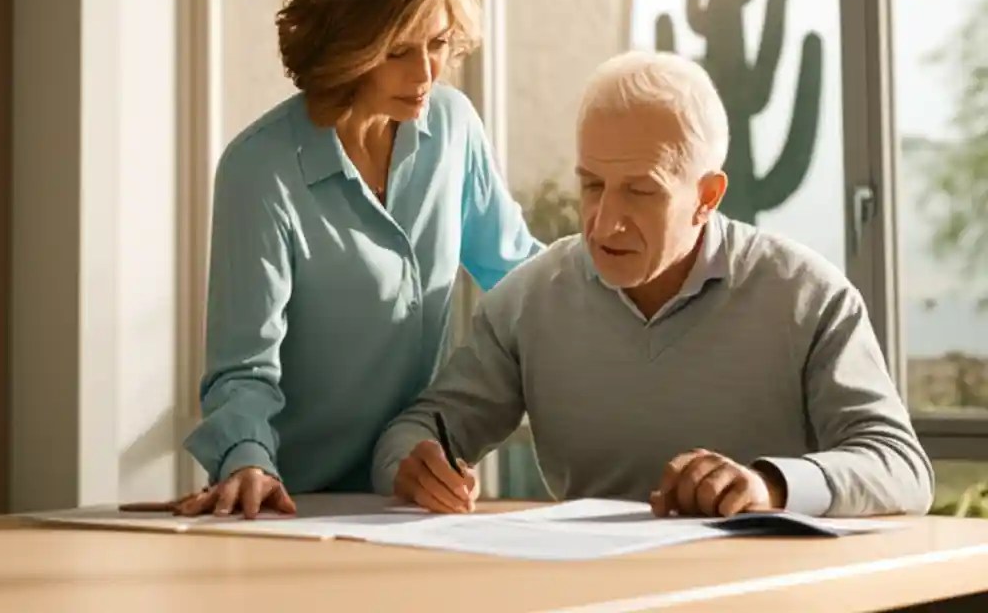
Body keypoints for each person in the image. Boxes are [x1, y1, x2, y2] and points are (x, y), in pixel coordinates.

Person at [374, 50, 933, 518]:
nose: (605, 223)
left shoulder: (808, 296)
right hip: (590, 591)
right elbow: (419, 429)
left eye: (640, 192)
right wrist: (412, 465)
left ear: (707, 197)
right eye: (592, 185)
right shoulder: (527, 301)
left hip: (761, 590)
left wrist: (770, 486)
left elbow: (901, 467)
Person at [175, 0, 542, 519]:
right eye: (398, 51)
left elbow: (521, 279)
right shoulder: (259, 169)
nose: (425, 74)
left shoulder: (454, 126)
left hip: (411, 497)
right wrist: (246, 460)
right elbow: (243, 369)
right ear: (345, 46)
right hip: (293, 504)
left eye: (438, 43)